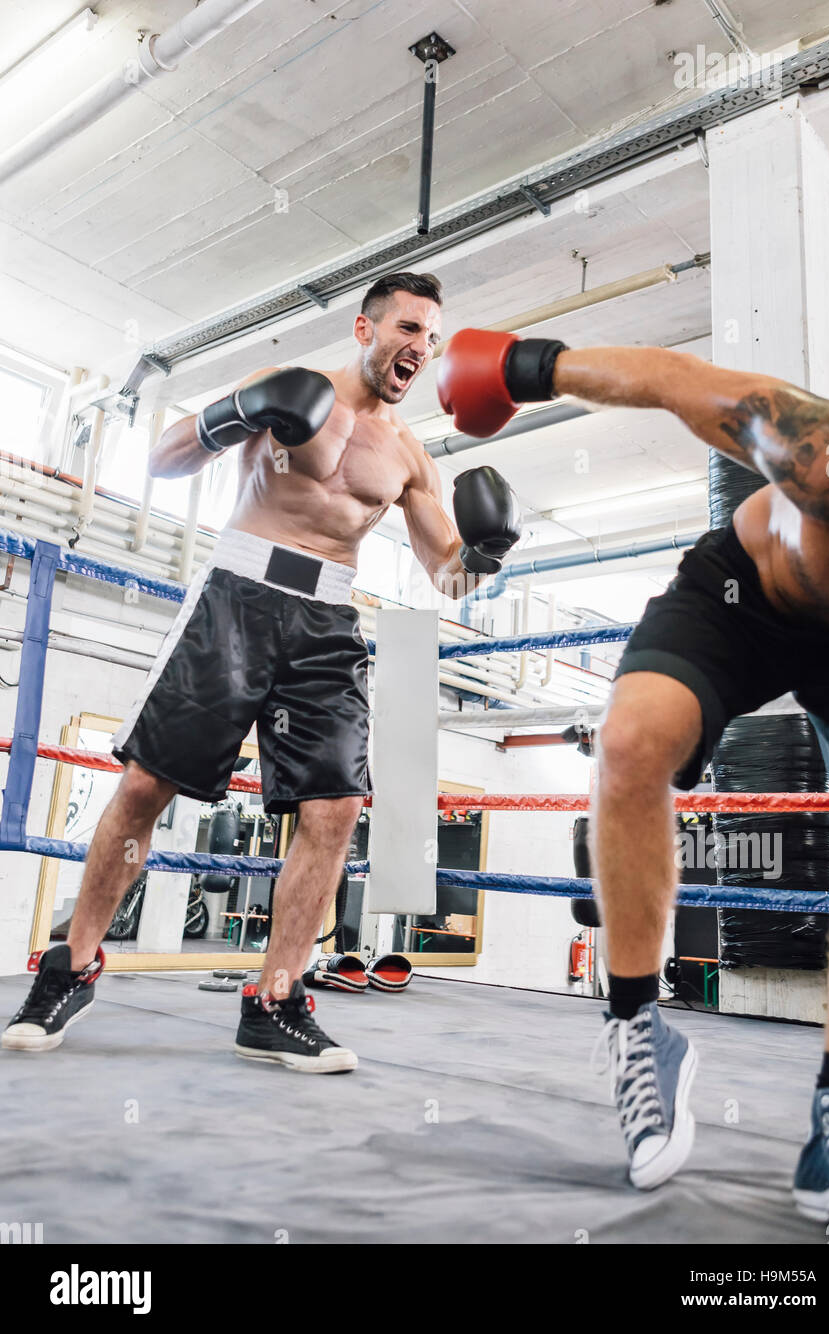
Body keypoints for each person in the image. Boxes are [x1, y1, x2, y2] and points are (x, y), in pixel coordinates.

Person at [3, 274, 522, 1073]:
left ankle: (275, 1001)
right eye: (409, 328)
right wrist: (234, 413)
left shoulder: (410, 456)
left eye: (433, 337)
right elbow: (166, 458)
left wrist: (486, 554)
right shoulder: (293, 392)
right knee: (145, 787)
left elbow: (444, 576)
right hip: (237, 596)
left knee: (336, 809)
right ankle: (69, 968)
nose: (421, 347)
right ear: (365, 329)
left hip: (329, 621)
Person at [438, 326, 829, 1215]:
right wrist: (525, 367)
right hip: (744, 596)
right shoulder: (828, 451)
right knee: (632, 744)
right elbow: (677, 378)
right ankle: (639, 1028)